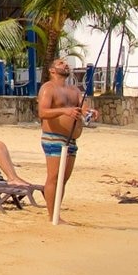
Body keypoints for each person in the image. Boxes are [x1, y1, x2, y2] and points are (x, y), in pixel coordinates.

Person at [35, 55, 98, 225]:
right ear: (52, 70)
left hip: (71, 140)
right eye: (61, 63)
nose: (66, 65)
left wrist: (89, 112)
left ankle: (57, 213)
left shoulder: (75, 90)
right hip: (53, 138)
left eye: (66, 63)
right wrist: (65, 111)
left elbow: (83, 108)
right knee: (54, 177)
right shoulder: (48, 88)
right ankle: (51, 216)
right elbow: (43, 112)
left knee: (63, 179)